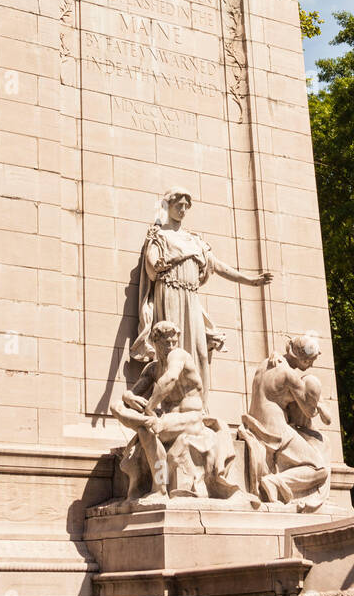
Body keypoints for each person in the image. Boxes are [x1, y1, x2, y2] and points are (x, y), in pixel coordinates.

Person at [130, 189, 273, 406]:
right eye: (179, 205)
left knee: (201, 353)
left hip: (191, 297)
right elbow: (152, 263)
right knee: (172, 351)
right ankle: (170, 405)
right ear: (168, 206)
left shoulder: (194, 240)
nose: (183, 210)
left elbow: (218, 266)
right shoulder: (160, 235)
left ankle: (201, 407)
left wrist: (251, 280)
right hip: (170, 292)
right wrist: (156, 264)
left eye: (186, 206)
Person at [113, 321, 241, 501]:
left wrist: (149, 408)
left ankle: (159, 488)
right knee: (118, 408)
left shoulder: (179, 355)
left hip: (192, 418)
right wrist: (127, 397)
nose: (171, 346)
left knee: (148, 428)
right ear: (155, 342)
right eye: (166, 342)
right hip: (169, 419)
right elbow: (132, 393)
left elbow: (170, 378)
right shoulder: (152, 369)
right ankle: (146, 425)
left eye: (174, 341)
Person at [239, 333, 331, 506]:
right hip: (275, 430)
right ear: (302, 359)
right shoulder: (290, 375)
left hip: (255, 422)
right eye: (310, 361)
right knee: (319, 469)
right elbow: (309, 411)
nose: (311, 365)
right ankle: (275, 482)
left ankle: (275, 482)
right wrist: (317, 400)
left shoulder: (266, 363)